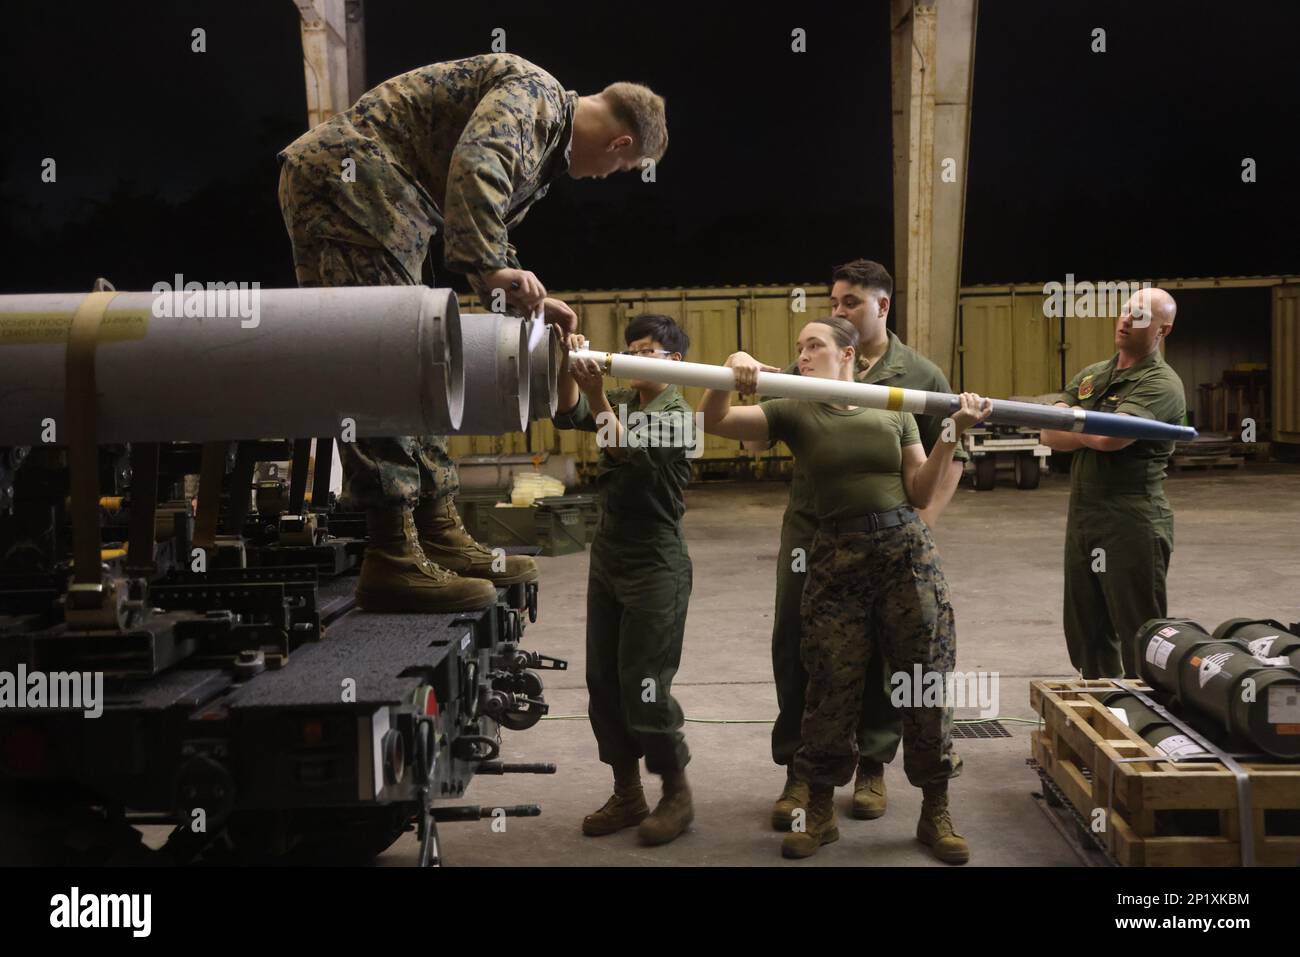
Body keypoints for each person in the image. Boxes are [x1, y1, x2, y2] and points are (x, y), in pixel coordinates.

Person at [277, 52, 668, 612]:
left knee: (410, 356)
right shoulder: (537, 95)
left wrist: (511, 284)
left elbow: (490, 204)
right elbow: (477, 163)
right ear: (621, 145)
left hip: (375, 191)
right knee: (383, 359)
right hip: (358, 181)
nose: (608, 178)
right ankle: (390, 554)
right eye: (623, 171)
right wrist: (487, 268)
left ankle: (436, 530)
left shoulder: (544, 137)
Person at [703, 316, 988, 862]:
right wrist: (727, 373)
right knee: (829, 685)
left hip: (905, 553)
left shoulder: (893, 404)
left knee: (923, 682)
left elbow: (921, 489)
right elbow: (716, 423)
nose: (803, 355)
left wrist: (954, 432)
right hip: (835, 557)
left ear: (848, 354)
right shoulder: (792, 405)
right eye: (798, 347)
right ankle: (820, 813)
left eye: (814, 346)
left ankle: (936, 810)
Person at [554, 316, 697, 845]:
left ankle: (676, 793)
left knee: (645, 682)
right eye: (631, 349)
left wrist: (595, 395)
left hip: (655, 563)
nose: (636, 357)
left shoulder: (679, 415)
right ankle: (627, 791)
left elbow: (620, 448)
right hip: (609, 556)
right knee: (604, 682)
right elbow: (567, 410)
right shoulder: (626, 399)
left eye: (649, 351)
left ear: (675, 362)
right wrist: (570, 362)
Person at [1039, 288, 1184, 678]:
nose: (1125, 320)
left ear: (1162, 330)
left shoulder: (1161, 384)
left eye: (1139, 316)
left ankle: (1150, 722)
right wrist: (1084, 423)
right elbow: (1048, 435)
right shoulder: (1094, 374)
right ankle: (1101, 710)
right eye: (1125, 310)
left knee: (1140, 630)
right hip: (1085, 515)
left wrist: (1074, 419)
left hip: (1131, 517)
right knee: (1087, 626)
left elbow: (1111, 440)